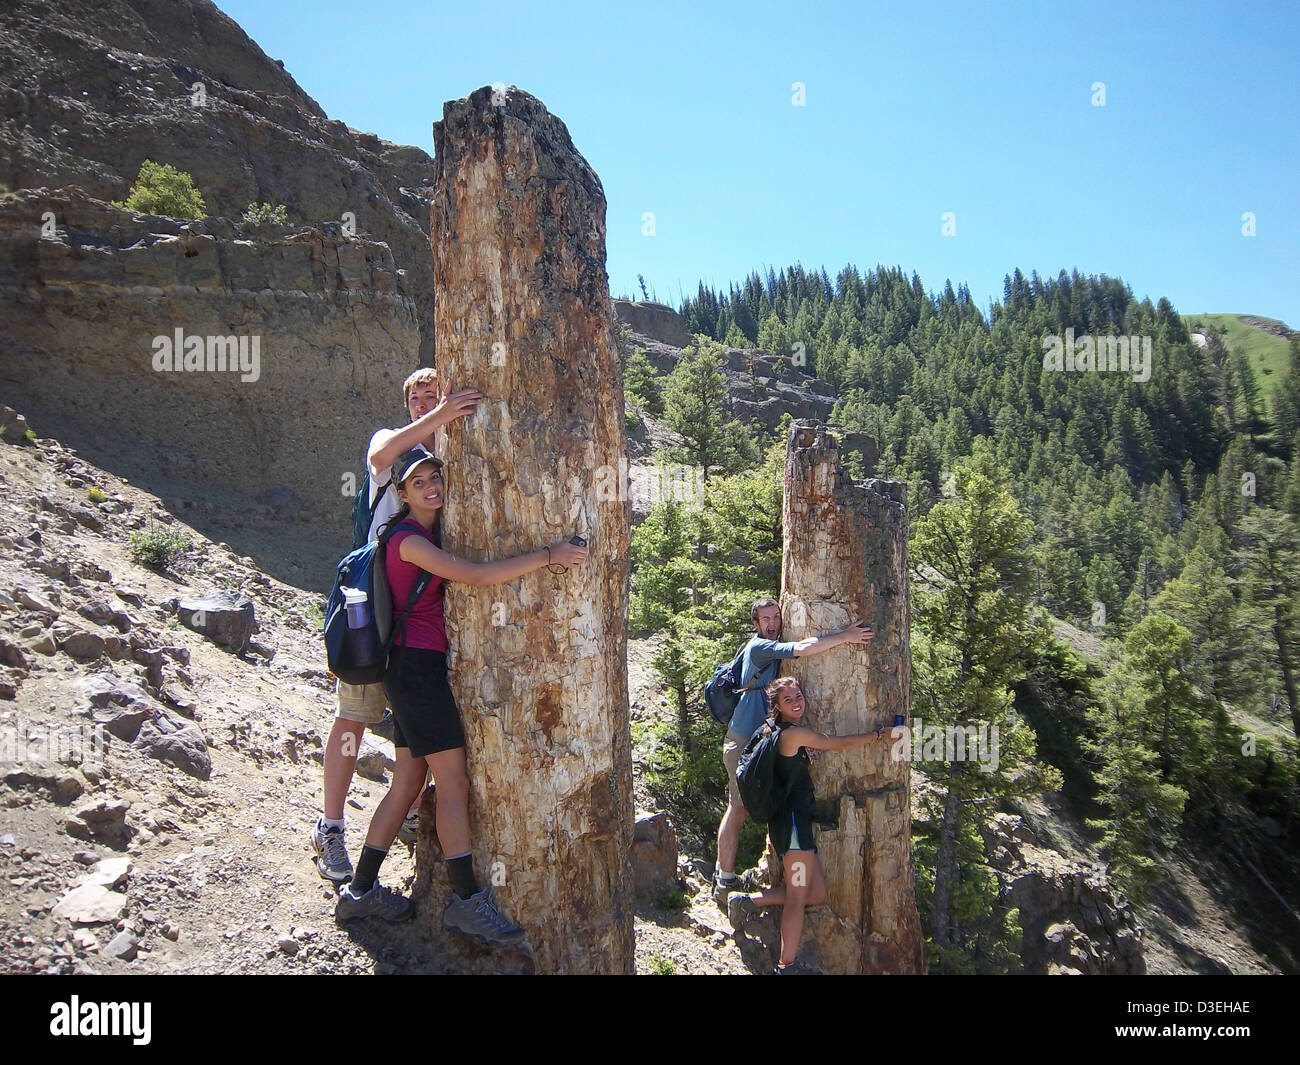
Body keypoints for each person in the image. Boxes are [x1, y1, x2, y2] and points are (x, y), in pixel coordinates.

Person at [334, 445, 587, 946]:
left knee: (408, 780)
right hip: (417, 671)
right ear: (401, 494)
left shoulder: (416, 534)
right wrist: (548, 556)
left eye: (435, 478)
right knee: (453, 780)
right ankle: (467, 901)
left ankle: (360, 890)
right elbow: (472, 575)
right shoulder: (408, 540)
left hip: (407, 669)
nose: (432, 487)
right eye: (419, 482)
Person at [311, 370, 483, 884]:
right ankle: (332, 825)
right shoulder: (392, 444)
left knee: (408, 748)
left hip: (415, 620)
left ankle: (397, 822)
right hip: (372, 614)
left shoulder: (442, 465)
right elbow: (380, 459)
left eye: (431, 396)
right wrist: (443, 413)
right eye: (416, 398)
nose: (422, 404)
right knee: (355, 719)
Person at [714, 598, 875, 902]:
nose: (773, 623)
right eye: (766, 619)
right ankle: (725, 880)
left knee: (758, 807)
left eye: (776, 617)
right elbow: (802, 649)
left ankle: (767, 882)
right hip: (743, 743)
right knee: (738, 809)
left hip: (762, 745)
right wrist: (846, 636)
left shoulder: (767, 646)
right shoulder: (760, 647)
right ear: (756, 625)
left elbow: (778, 716)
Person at [727, 677, 892, 973]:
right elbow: (838, 744)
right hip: (792, 830)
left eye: (798, 695)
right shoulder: (793, 735)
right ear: (777, 706)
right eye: (788, 699)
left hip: (794, 824)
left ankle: (748, 901)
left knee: (814, 893)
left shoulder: (773, 730)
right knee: (798, 897)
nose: (797, 702)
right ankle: (786, 965)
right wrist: (879, 734)